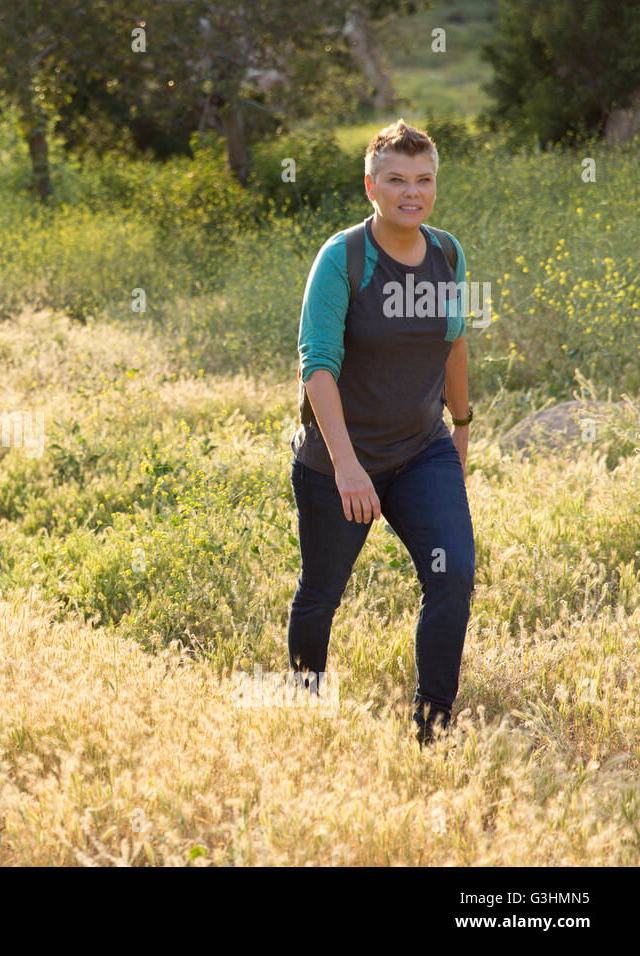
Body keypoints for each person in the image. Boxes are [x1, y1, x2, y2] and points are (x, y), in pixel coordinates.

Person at [287, 119, 475, 748]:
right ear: (371, 186)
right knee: (322, 593)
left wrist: (463, 428)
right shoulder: (342, 258)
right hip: (340, 458)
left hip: (423, 450)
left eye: (423, 180)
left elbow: (453, 341)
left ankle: (432, 726)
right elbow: (316, 364)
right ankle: (304, 708)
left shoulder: (448, 253)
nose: (411, 192)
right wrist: (346, 466)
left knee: (452, 576)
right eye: (396, 180)